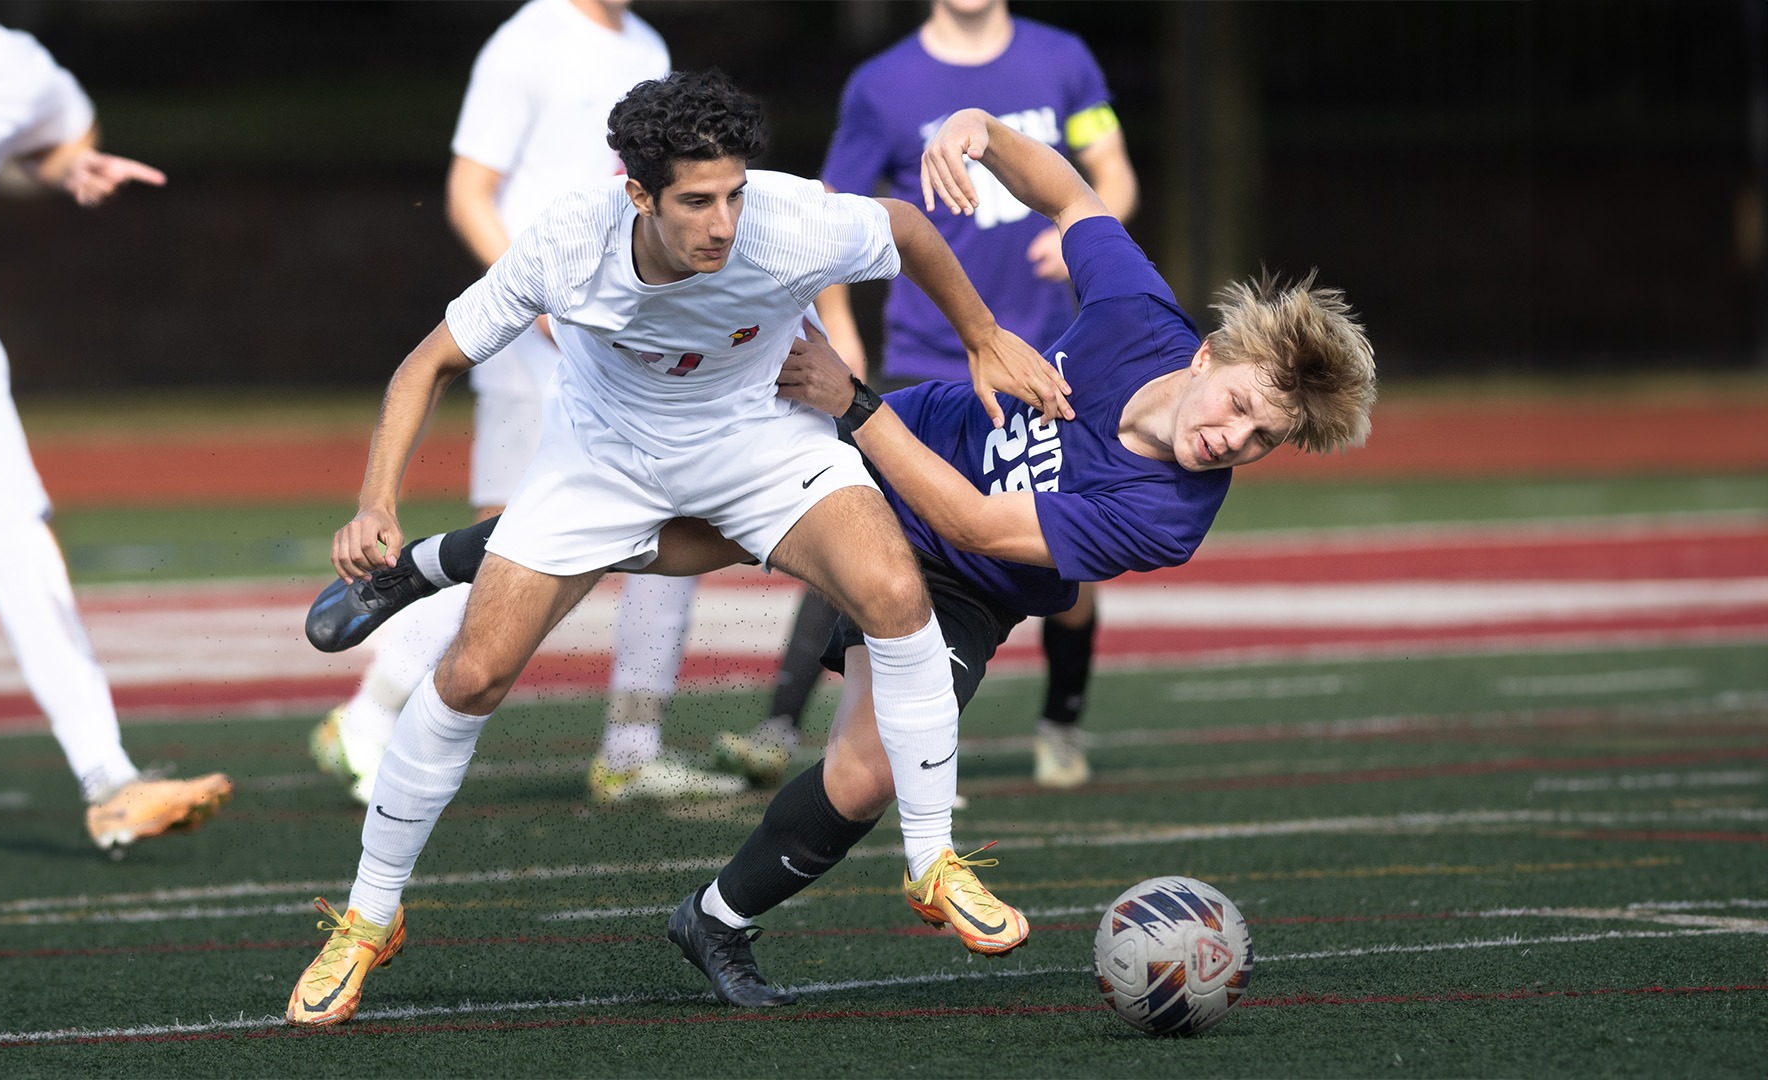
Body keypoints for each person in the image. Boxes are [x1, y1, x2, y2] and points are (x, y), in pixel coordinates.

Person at [312, 106, 1376, 1008]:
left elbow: (970, 526)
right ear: (1208, 356)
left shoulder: (1171, 513)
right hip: (877, 457)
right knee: (662, 537)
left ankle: (716, 918)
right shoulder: (1142, 318)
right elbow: (1074, 201)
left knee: (865, 774)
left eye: (1263, 440)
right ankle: (423, 567)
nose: (1233, 438)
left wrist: (854, 403)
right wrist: (983, 132)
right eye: (1239, 406)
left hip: (960, 569)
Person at [284, 71, 1072, 1027]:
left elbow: (904, 226)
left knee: (895, 595)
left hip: (762, 440)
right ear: (638, 196)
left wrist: (983, 335)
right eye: (696, 201)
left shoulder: (782, 221)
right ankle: (367, 919)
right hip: (602, 459)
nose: (723, 223)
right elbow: (430, 363)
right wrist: (377, 500)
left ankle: (934, 857)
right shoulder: (569, 241)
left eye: (733, 193)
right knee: (474, 675)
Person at [305, 0, 739, 808]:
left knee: (682, 510)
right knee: (515, 548)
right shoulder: (527, 41)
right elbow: (471, 191)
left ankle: (633, 747)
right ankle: (366, 715)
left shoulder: (646, 41)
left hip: (623, 341)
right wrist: (537, 301)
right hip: (540, 344)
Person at [715, 0, 1139, 793]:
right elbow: (830, 217)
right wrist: (837, 325)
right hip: (925, 358)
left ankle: (1060, 725)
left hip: (1049, 364)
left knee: (1063, 571)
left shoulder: (1066, 59)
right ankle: (778, 724)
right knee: (853, 519)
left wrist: (1084, 229)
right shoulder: (883, 83)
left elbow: (1110, 171)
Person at [0, 0, 231, 853]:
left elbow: (63, 134)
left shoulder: (7, 65)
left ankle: (110, 782)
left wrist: (69, 170)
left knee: (26, 554)